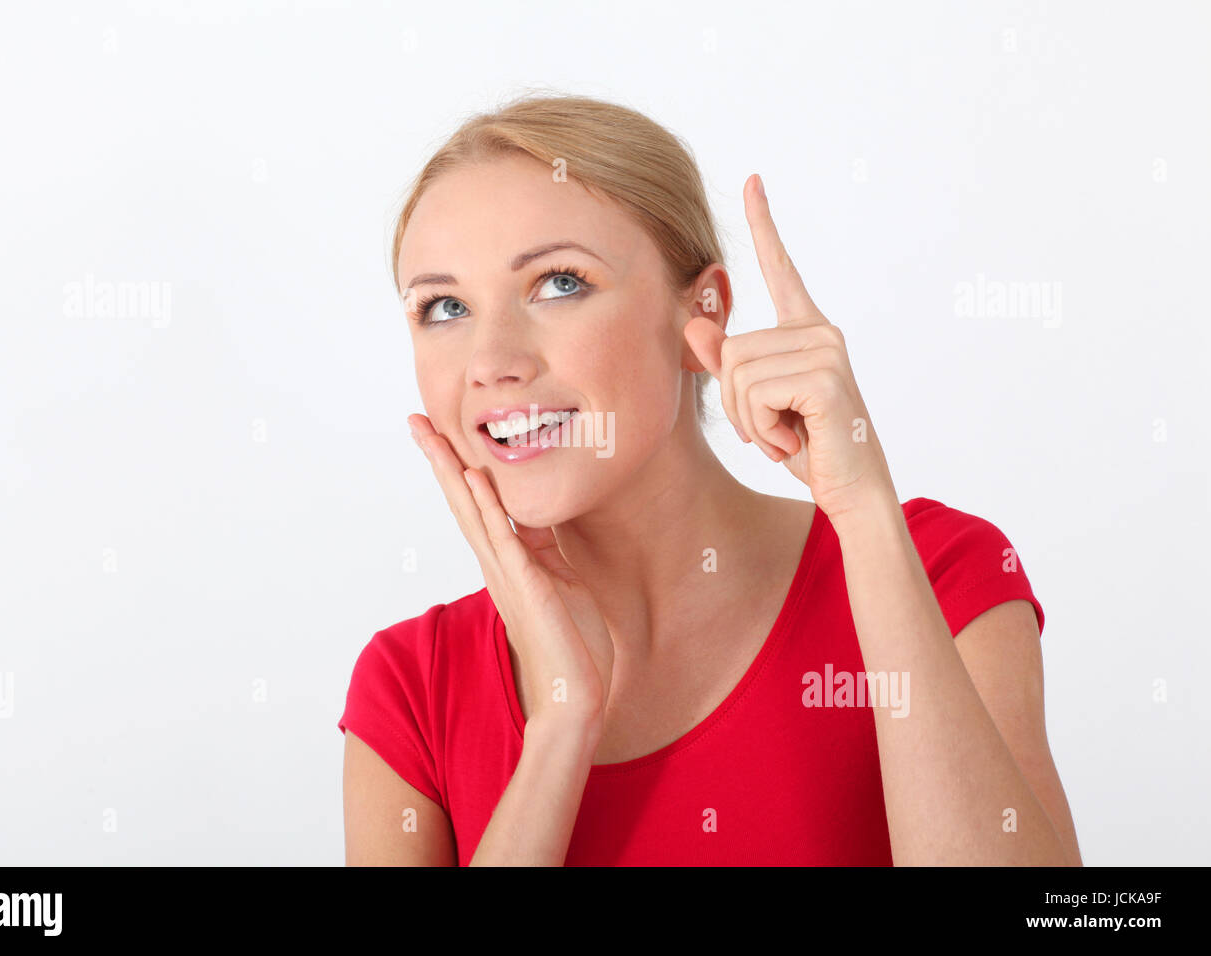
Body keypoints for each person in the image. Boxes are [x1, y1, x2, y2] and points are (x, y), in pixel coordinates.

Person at [340, 92, 1082, 866]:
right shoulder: (412, 688)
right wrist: (560, 730)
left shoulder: (937, 572)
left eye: (560, 283)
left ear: (704, 312)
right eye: (445, 306)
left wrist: (863, 513)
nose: (492, 362)